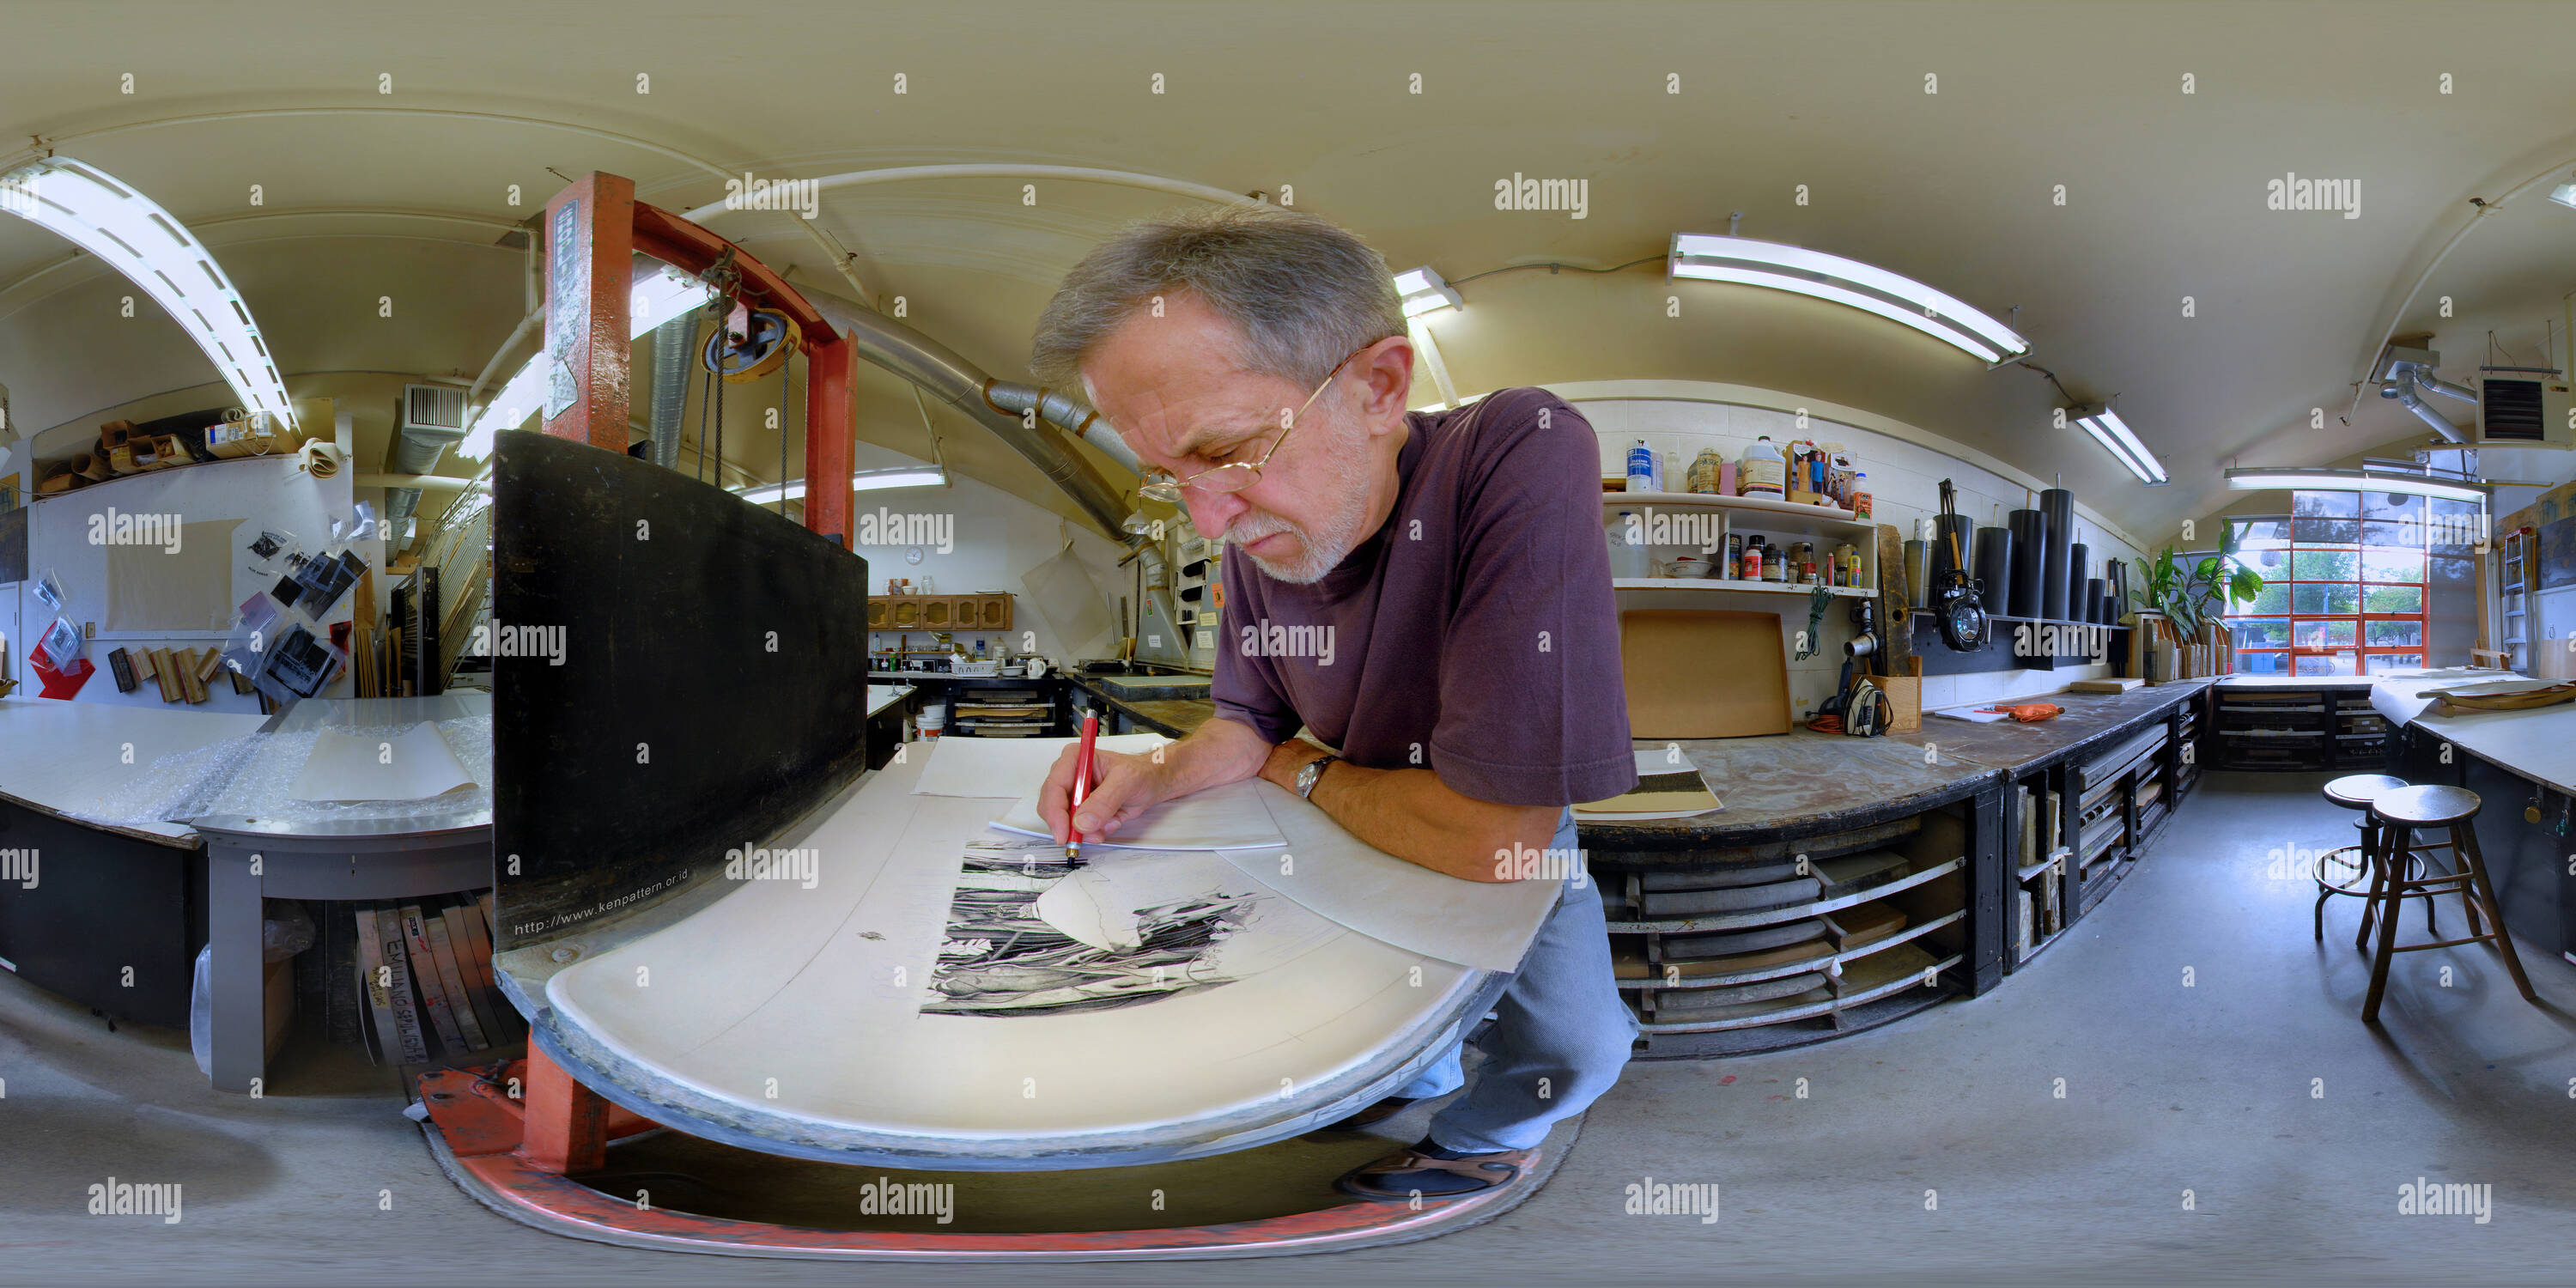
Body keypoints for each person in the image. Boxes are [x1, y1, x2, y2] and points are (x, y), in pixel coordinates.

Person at [1029, 204, 1637, 1201]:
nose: (1208, 519)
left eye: (1226, 450)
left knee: (1575, 1042)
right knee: (1382, 1018)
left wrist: (1295, 765)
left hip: (1475, 816)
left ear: (1377, 388)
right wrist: (1157, 773)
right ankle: (1423, 1071)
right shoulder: (1264, 534)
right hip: (1350, 813)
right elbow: (1245, 722)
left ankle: (1489, 1135)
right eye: (1168, 477)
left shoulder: (1515, 448)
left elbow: (1490, 836)